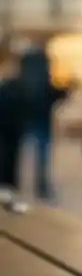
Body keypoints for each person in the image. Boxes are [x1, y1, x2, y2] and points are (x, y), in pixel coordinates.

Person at [19, 44, 66, 200]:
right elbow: (54, 96)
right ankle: (41, 186)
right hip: (42, 121)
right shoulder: (44, 81)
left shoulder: (23, 82)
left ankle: (16, 184)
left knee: (20, 154)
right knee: (42, 156)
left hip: (24, 121)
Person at [0, 53, 27, 189]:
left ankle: (8, 183)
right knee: (10, 157)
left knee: (9, 157)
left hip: (10, 128)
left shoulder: (13, 87)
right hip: (12, 128)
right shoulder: (17, 87)